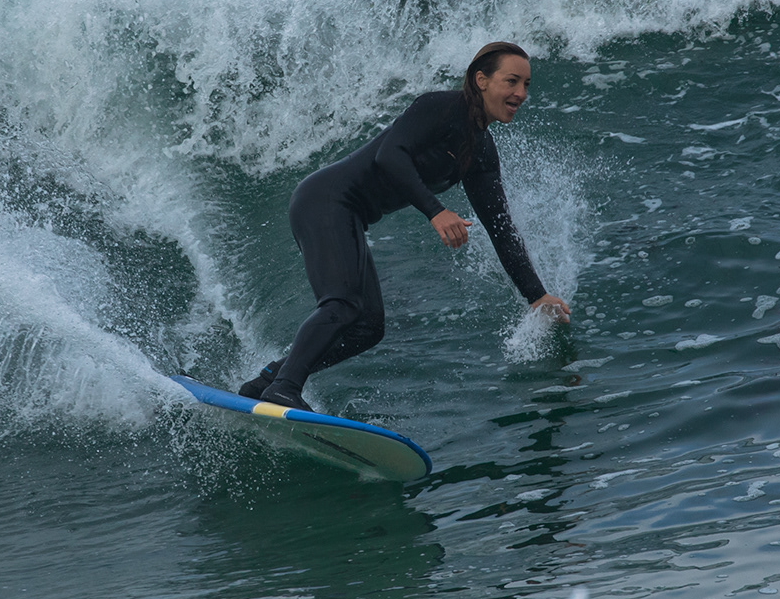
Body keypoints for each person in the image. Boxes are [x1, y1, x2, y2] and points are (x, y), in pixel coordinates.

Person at [241, 41, 571, 410]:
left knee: (368, 328)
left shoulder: (480, 151)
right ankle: (285, 388)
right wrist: (436, 211)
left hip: (349, 215)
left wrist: (536, 296)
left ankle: (268, 382)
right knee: (342, 304)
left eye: (526, 85)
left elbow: (500, 228)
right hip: (325, 200)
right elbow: (390, 156)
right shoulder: (440, 107)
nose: (521, 93)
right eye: (512, 81)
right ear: (481, 80)